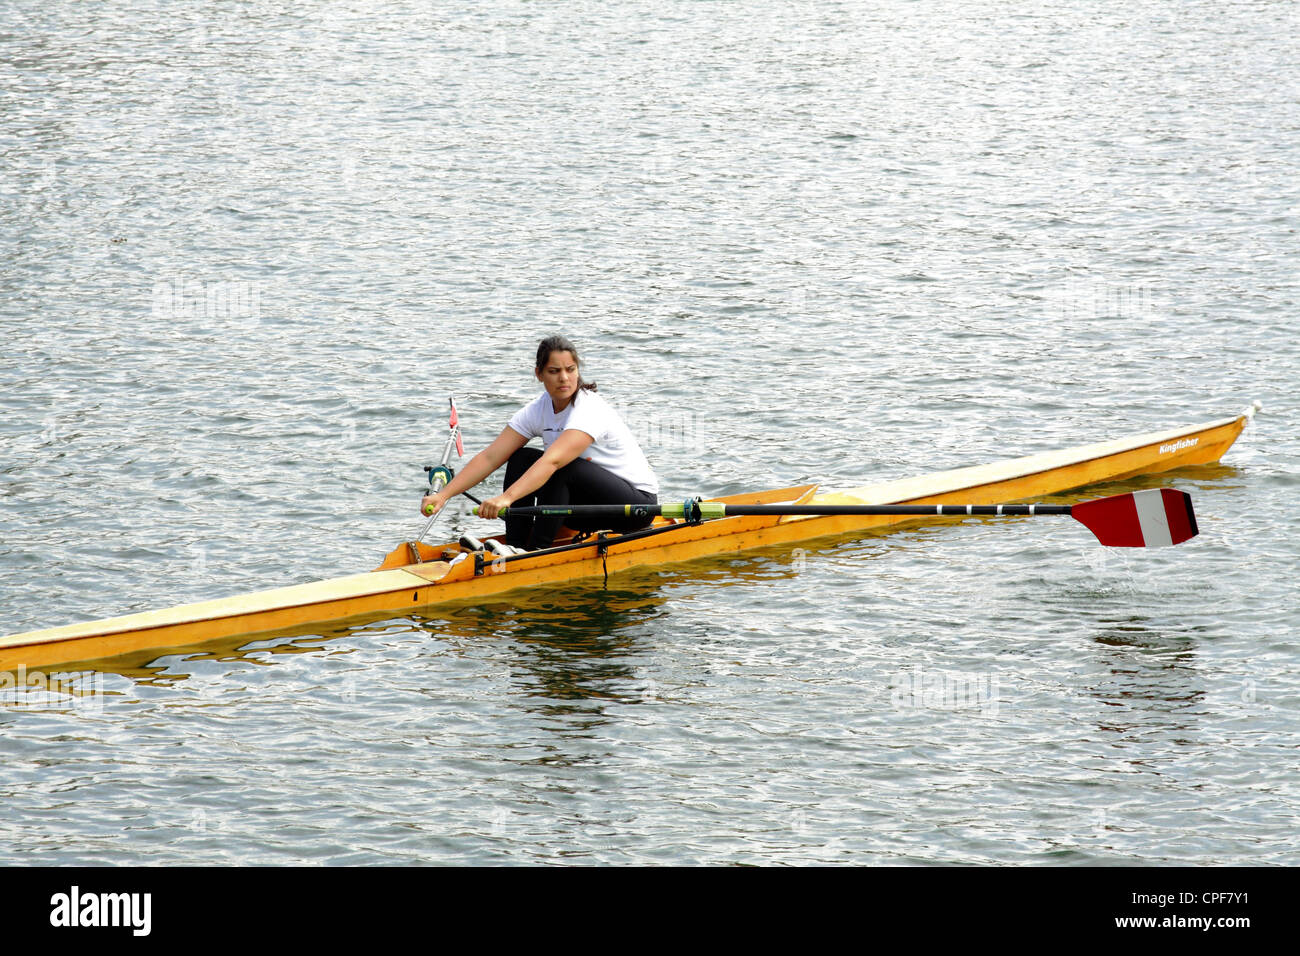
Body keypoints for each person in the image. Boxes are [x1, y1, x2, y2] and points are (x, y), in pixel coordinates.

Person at [421, 335, 659, 551]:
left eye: (570, 369)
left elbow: (553, 461)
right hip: (582, 506)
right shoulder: (538, 410)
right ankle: (515, 545)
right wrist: (444, 495)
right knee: (521, 457)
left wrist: (506, 499)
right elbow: (490, 457)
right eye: (554, 371)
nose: (564, 378)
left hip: (633, 507)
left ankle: (536, 552)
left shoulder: (589, 408)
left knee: (562, 465)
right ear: (539, 374)